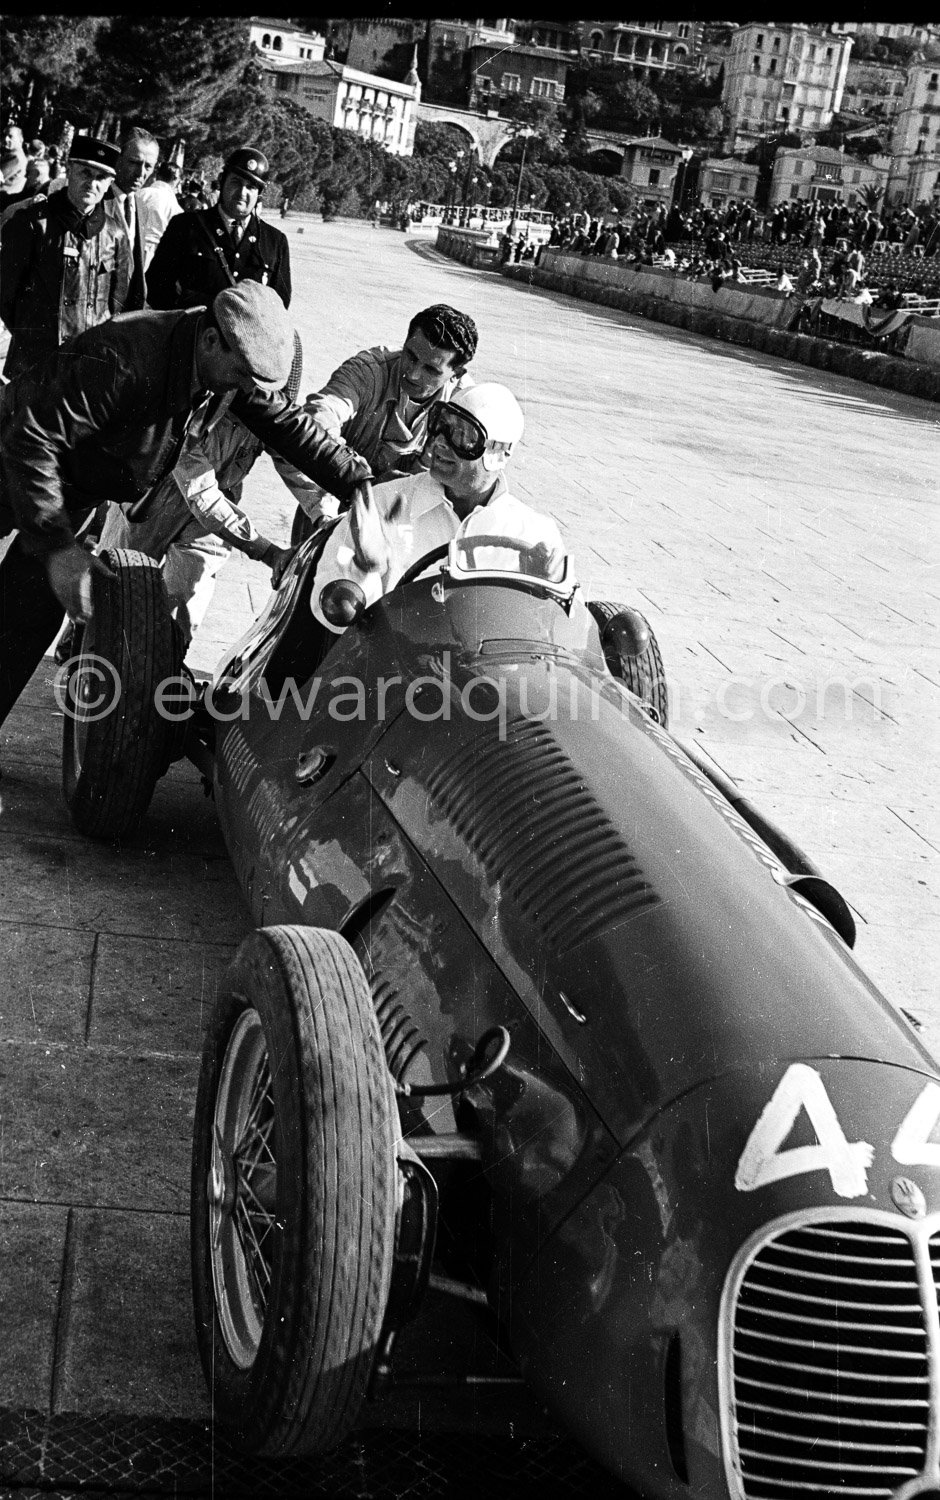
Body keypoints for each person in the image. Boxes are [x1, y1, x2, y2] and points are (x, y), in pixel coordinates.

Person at [0, 281, 372, 735]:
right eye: (243, 377)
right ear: (213, 340)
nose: (246, 390)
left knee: (27, 618)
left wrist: (359, 482)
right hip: (16, 464)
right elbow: (31, 438)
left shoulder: (221, 363)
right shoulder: (125, 354)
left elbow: (285, 423)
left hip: (69, 489)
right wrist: (57, 547)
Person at [309, 383, 565, 635]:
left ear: (498, 453)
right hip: (394, 668)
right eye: (440, 424)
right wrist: (365, 569)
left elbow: (555, 637)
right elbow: (330, 609)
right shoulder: (382, 503)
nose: (440, 442)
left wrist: (542, 596)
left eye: (463, 436)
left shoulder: (535, 534)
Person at [283, 304, 478, 530]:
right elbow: (310, 427)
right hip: (332, 507)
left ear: (457, 374)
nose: (413, 374)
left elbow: (470, 484)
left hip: (407, 526)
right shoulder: (367, 371)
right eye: (411, 356)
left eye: (431, 370)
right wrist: (330, 517)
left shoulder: (465, 405)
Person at [0, 135, 134, 379]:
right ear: (69, 170)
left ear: (109, 184)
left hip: (85, 367)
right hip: (33, 365)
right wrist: (32, 335)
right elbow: (5, 293)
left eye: (101, 178)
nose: (92, 184)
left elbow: (119, 301)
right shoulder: (33, 223)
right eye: (85, 172)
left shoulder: (115, 234)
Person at [147, 146, 291, 310]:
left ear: (259, 194)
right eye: (236, 182)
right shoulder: (185, 226)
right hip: (191, 332)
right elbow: (156, 286)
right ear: (223, 181)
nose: (242, 192)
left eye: (251, 187)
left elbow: (280, 304)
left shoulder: (274, 241)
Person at [106, 126, 159, 306]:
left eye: (148, 166)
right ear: (117, 159)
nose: (141, 172)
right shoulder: (97, 202)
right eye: (134, 162)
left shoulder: (141, 208)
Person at [136, 161, 183, 269]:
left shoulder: (142, 193)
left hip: (133, 246)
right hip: (158, 256)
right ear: (176, 180)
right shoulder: (176, 208)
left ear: (157, 175)